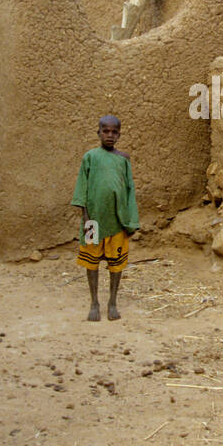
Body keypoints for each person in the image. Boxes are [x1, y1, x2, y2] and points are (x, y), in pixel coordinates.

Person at [71, 115, 139, 321]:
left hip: (117, 221)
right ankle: (94, 302)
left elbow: (129, 190)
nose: (110, 135)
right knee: (91, 263)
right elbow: (82, 188)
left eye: (114, 132)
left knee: (115, 264)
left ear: (119, 134)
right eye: (105, 131)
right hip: (93, 221)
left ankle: (112, 302)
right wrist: (85, 217)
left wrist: (131, 221)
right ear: (98, 132)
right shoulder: (90, 157)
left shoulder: (123, 159)